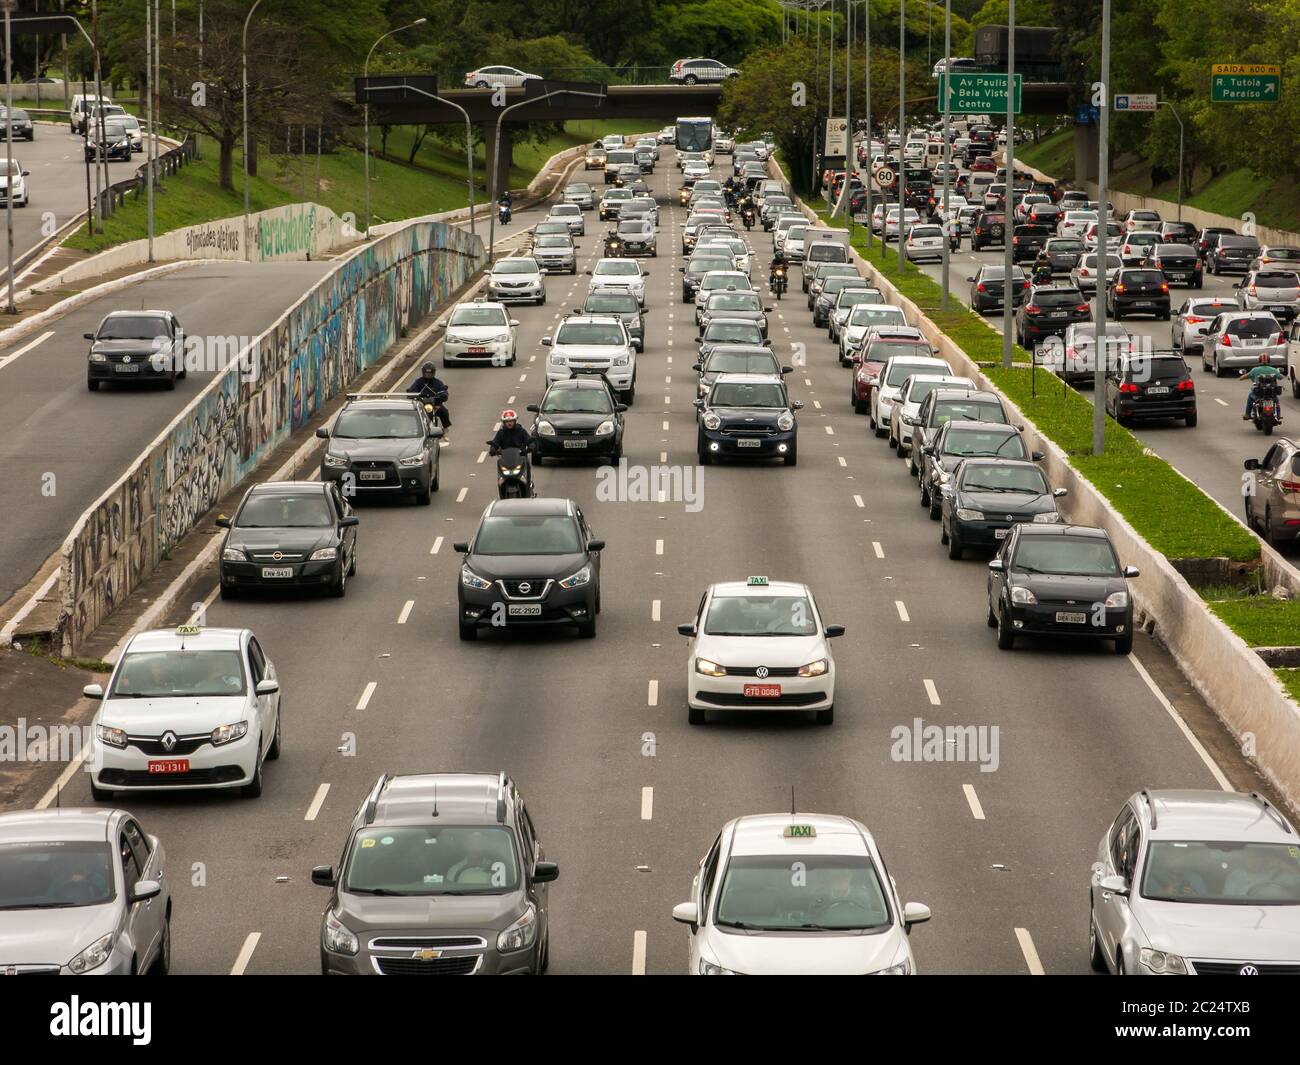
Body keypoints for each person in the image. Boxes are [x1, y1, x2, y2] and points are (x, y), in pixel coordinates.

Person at [407, 361, 451, 439]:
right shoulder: (418, 382)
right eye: (426, 373)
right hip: (422, 404)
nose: (428, 375)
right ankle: (411, 429)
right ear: (423, 372)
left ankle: (446, 429)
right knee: (412, 412)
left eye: (430, 373)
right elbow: (412, 389)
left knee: (444, 411)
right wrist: (411, 393)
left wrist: (443, 395)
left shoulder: (438, 382)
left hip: (435, 404)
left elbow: (444, 391)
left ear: (433, 373)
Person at [1243, 353, 1282, 421]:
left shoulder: (1255, 370)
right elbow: (1281, 377)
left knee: (1250, 396)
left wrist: (1241, 377)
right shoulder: (1274, 370)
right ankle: (1278, 415)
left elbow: (1245, 376)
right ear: (1269, 360)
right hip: (1271, 394)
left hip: (1259, 394)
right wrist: (1278, 372)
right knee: (1276, 401)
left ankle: (1247, 414)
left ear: (1259, 360)